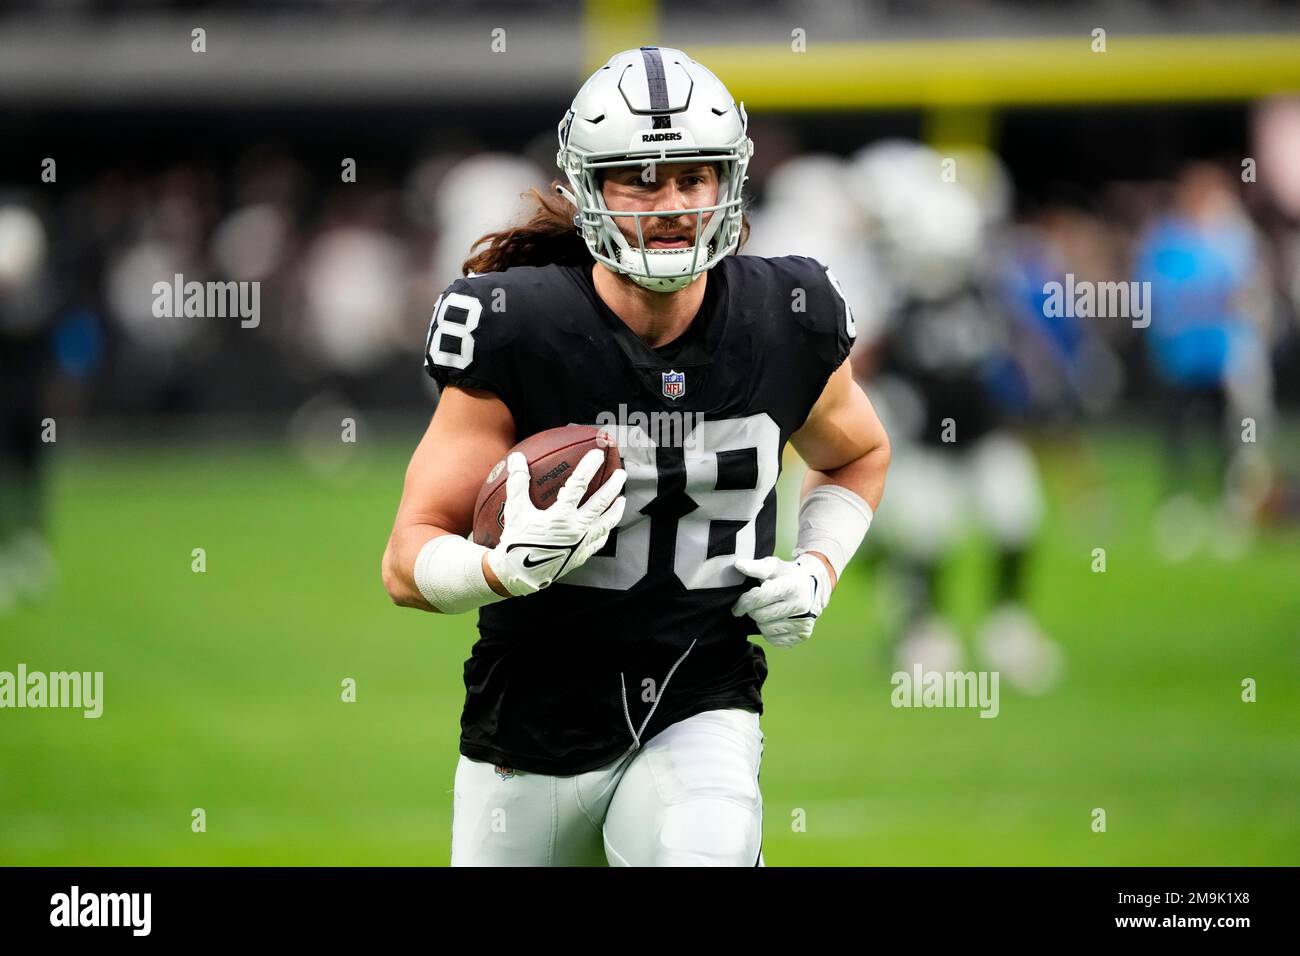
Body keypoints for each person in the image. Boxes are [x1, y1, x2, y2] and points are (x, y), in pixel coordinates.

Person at [382, 47, 890, 866]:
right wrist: (500, 571)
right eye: (641, 179)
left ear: (729, 182)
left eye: (693, 177)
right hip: (533, 717)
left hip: (703, 696)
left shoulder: (785, 316)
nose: (673, 203)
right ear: (589, 188)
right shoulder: (521, 327)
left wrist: (819, 568)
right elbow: (407, 561)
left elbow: (858, 453)